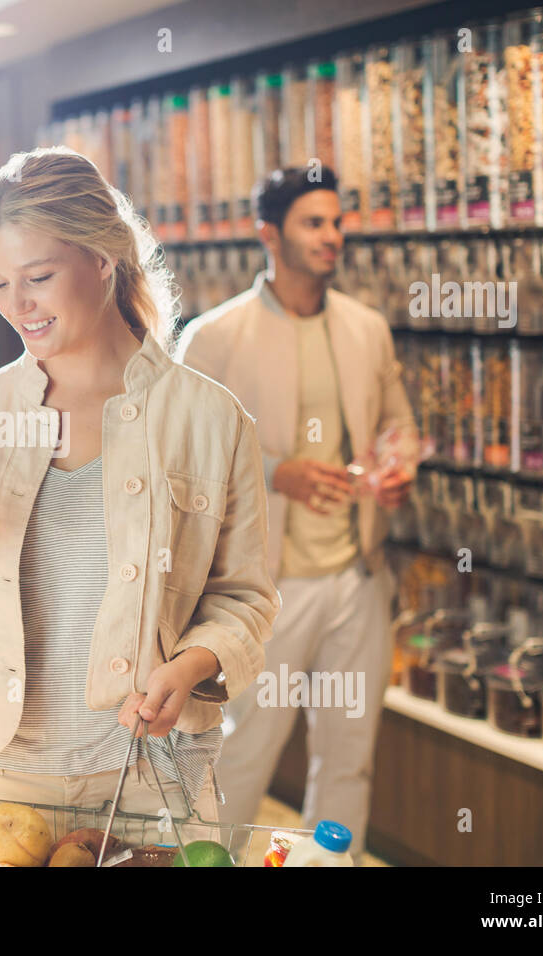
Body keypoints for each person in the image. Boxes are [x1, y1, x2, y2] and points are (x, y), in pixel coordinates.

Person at [0, 146, 281, 836]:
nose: (17, 306)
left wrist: (194, 664)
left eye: (39, 277)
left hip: (155, 779)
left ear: (102, 258)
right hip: (5, 780)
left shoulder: (210, 418)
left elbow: (246, 600)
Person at [173, 166, 416, 860]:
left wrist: (397, 469)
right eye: (314, 223)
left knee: (348, 759)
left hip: (357, 579)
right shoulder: (215, 338)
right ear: (268, 235)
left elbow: (398, 425)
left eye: (337, 222)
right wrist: (279, 472)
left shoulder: (366, 329)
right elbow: (181, 461)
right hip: (265, 592)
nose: (332, 236)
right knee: (245, 752)